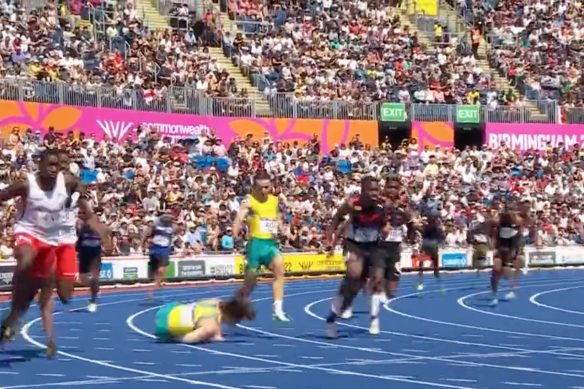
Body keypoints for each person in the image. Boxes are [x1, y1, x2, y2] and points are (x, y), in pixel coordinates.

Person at [0, 149, 108, 358]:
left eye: (57, 165)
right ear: (39, 165)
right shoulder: (26, 184)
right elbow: (3, 195)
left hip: (59, 240)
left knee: (65, 295)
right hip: (29, 232)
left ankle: (22, 304)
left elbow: (84, 199)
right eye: (50, 165)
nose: (53, 169)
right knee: (25, 257)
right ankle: (18, 296)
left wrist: (102, 232)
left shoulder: (68, 183)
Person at [325, 176, 385, 337]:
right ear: (363, 190)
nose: (375, 193)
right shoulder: (352, 204)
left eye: (377, 190)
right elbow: (337, 218)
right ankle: (332, 318)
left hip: (373, 246)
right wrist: (330, 238)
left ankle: (374, 318)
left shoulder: (382, 205)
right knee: (353, 279)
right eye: (371, 190)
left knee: (376, 281)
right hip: (354, 245)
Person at [233, 171, 290, 322]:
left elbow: (276, 217)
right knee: (251, 282)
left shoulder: (274, 200)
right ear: (254, 187)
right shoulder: (249, 201)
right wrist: (235, 234)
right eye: (262, 187)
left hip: (270, 243)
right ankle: (238, 299)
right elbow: (239, 218)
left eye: (268, 187)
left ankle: (277, 308)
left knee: (279, 269)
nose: (265, 190)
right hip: (255, 245)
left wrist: (282, 229)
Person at [375, 176, 417, 327]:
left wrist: (413, 238)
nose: (392, 190)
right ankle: (378, 292)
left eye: (395, 188)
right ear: (385, 188)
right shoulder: (379, 202)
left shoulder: (404, 206)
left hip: (396, 242)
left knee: (393, 272)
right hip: (380, 242)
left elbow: (411, 223)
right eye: (389, 187)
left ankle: (387, 295)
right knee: (379, 269)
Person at [154, 297, 256, 343]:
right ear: (232, 317)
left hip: (167, 309)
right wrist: (173, 338)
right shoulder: (210, 326)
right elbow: (189, 339)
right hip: (165, 327)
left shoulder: (216, 302)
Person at [490, 207, 524, 306]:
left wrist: (515, 251)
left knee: (509, 270)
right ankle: (494, 295)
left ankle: (511, 290)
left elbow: (518, 239)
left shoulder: (517, 225)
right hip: (501, 250)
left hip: (510, 250)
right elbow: (494, 235)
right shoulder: (498, 224)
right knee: (496, 271)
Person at [143, 212, 175, 301]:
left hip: (165, 250)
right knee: (157, 271)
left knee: (161, 270)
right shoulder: (155, 227)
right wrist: (145, 242)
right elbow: (147, 234)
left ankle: (153, 290)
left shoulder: (171, 228)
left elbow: (177, 228)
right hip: (155, 250)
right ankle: (158, 282)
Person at [77, 209, 103, 312]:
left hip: (95, 254)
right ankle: (95, 289)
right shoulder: (82, 227)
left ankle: (93, 300)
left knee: (94, 277)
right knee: (82, 278)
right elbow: (78, 240)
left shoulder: (98, 227)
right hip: (84, 253)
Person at [417, 212, 445, 294]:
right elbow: (440, 237)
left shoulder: (426, 227)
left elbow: (424, 234)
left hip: (427, 245)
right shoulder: (435, 227)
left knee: (423, 264)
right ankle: (439, 285)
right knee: (435, 265)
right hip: (431, 245)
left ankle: (420, 283)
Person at [467, 212, 493, 285]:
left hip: (482, 243)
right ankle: (477, 269)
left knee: (481, 255)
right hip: (478, 242)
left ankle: (479, 270)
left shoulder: (484, 228)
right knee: (477, 255)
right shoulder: (474, 227)